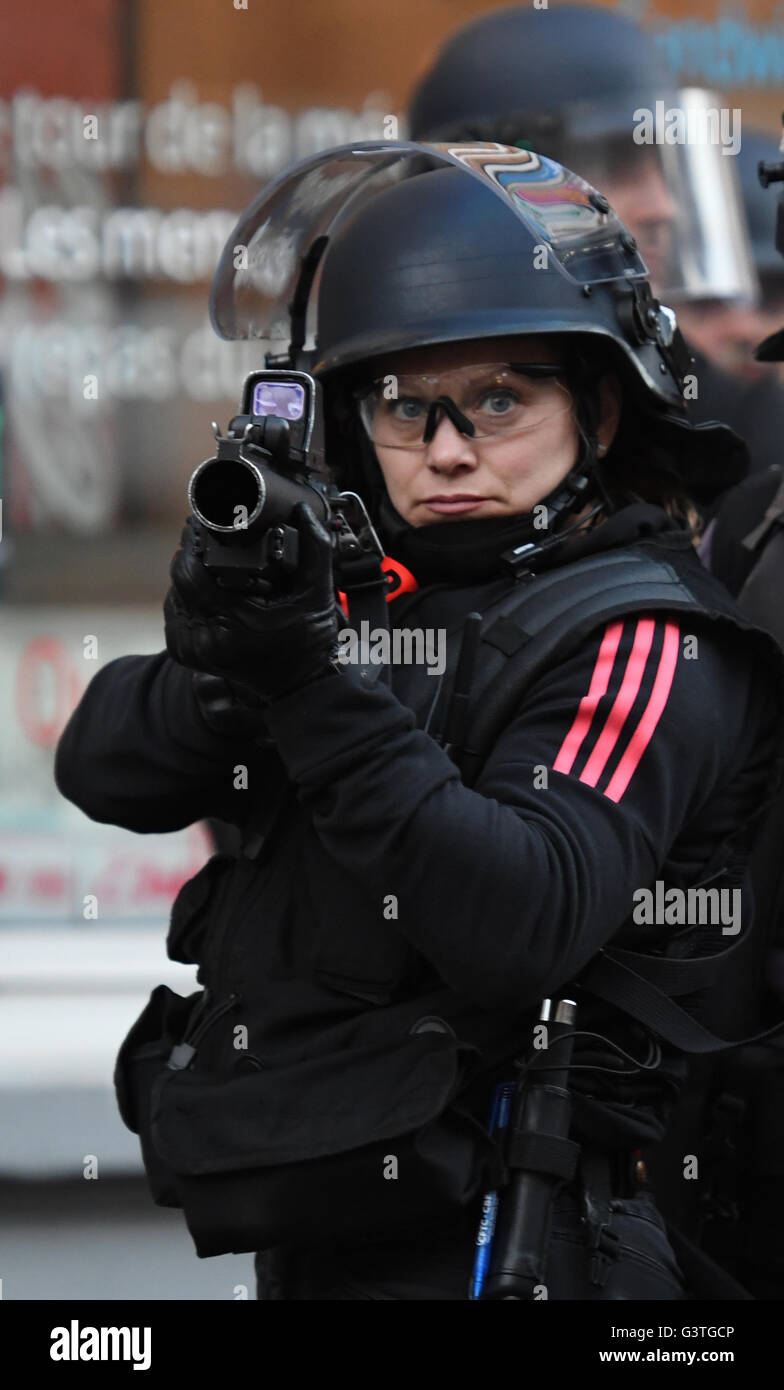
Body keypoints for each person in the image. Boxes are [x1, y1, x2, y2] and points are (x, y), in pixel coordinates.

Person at [54, 141, 784, 1300]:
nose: (446, 449)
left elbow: (523, 911)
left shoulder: (642, 634)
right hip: (322, 1237)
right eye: (403, 405)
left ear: (596, 405)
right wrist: (229, 665)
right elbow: (103, 765)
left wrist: (307, 688)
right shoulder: (363, 601)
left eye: (498, 399)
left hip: (541, 1251)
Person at [407, 3, 784, 496]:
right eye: (618, 163)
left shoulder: (739, 429)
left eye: (663, 166)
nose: (662, 207)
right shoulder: (365, 404)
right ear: (480, 189)